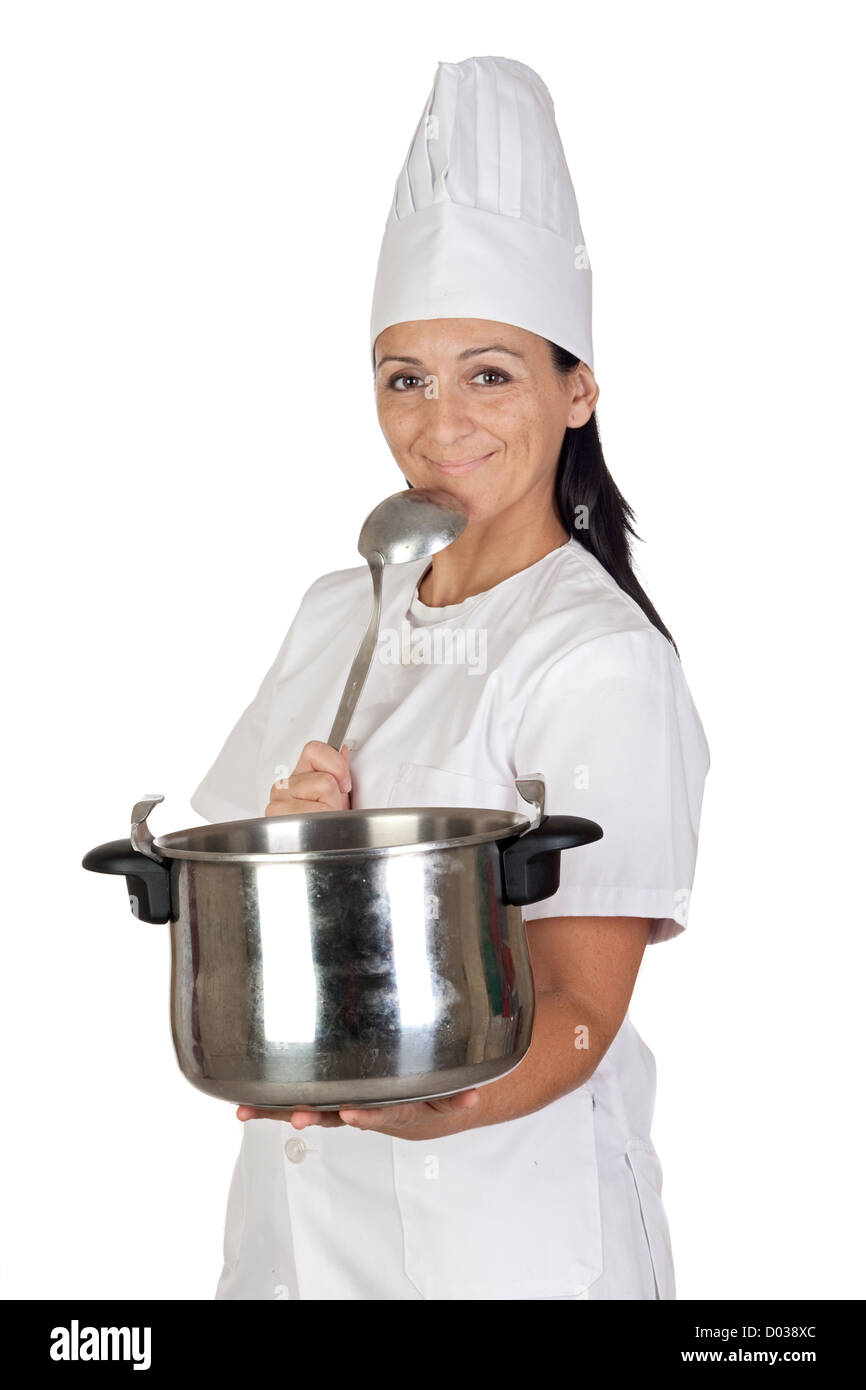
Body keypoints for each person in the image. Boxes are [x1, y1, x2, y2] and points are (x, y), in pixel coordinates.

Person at [191, 54, 710, 1301]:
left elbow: (577, 1004)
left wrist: (432, 1106)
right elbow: (240, 913)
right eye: (405, 379)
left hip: (502, 1238)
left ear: (575, 390)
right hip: (293, 1236)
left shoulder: (596, 656)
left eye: (489, 373)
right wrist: (291, 853)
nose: (439, 425)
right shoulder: (335, 610)